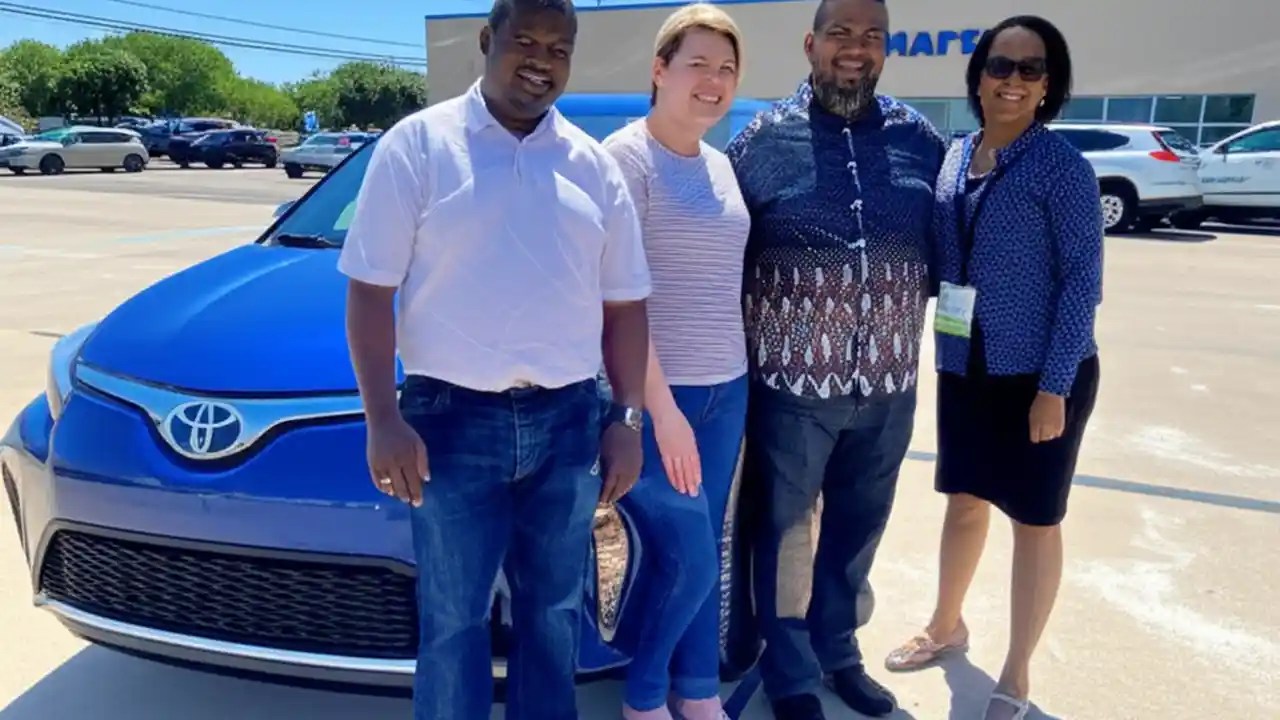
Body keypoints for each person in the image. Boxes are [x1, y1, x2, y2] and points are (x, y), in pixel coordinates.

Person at [337, 0, 653, 718]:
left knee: (552, 615)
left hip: (569, 420)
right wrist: (381, 418)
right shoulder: (417, 145)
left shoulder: (592, 167)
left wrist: (626, 418)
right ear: (487, 41)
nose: (541, 60)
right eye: (525, 41)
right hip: (450, 423)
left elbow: (627, 306)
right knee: (453, 621)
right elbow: (368, 290)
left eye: (559, 48)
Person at [723, 0, 947, 718]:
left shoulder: (921, 142)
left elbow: (947, 257)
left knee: (857, 531)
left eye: (872, 36)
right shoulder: (759, 142)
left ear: (886, 49)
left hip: (888, 382)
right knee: (786, 535)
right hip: (791, 388)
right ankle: (788, 674)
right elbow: (724, 259)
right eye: (841, 35)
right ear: (811, 44)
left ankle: (838, 654)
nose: (856, 48)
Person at [883, 15, 1103, 720]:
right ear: (977, 77)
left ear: (1048, 86)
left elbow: (1081, 285)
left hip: (1040, 373)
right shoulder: (955, 156)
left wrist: (1054, 388)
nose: (1012, 80)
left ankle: (1017, 671)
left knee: (1035, 519)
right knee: (965, 500)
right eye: (1000, 66)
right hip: (965, 363)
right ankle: (947, 625)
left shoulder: (1062, 168)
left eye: (1030, 70)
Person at [600, 4, 750, 719]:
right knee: (689, 556)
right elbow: (618, 300)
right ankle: (644, 696)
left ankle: (698, 694)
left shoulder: (722, 165)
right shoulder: (625, 161)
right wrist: (661, 412)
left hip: (729, 386)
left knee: (702, 547)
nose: (714, 82)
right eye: (698, 64)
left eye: (727, 69)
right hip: (658, 395)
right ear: (659, 70)